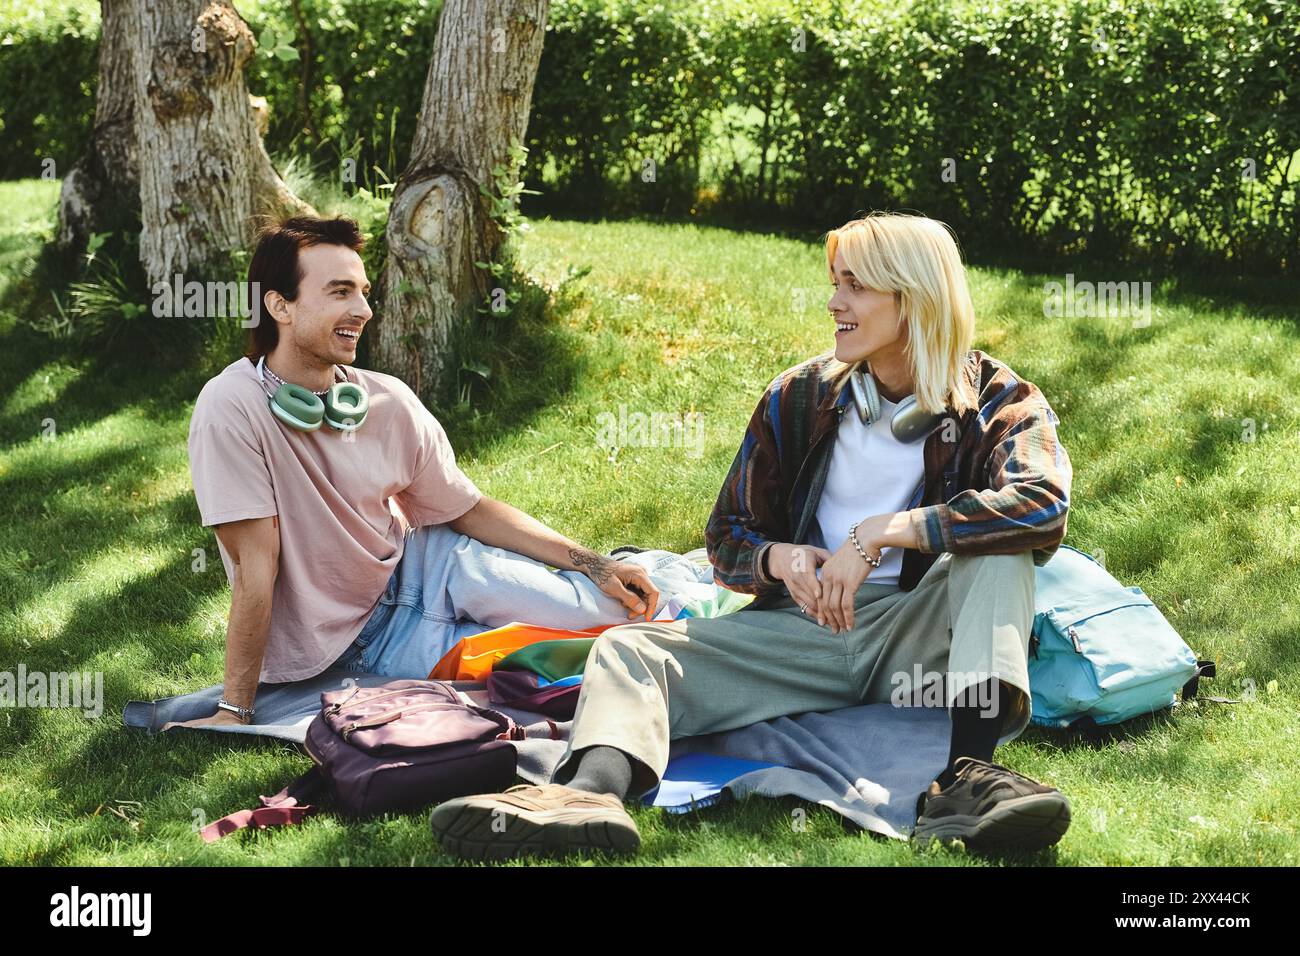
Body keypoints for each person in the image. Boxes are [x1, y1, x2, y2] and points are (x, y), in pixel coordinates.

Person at [430, 212, 1075, 859]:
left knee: (1000, 555)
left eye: (854, 286)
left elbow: (1041, 506)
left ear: (912, 295)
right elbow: (726, 539)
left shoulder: (996, 398)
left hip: (924, 635)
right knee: (631, 648)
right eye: (834, 283)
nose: (834, 303)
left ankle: (967, 778)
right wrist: (779, 558)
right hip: (801, 634)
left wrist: (884, 532)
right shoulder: (798, 397)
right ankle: (586, 797)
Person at [170, 216, 661, 731]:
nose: (362, 310)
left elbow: (469, 510)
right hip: (373, 645)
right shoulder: (231, 407)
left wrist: (593, 563)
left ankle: (686, 584)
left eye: (362, 292)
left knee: (612, 612)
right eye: (340, 292)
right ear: (279, 305)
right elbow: (255, 567)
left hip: (430, 569)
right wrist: (235, 709)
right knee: (539, 671)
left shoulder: (386, 398)